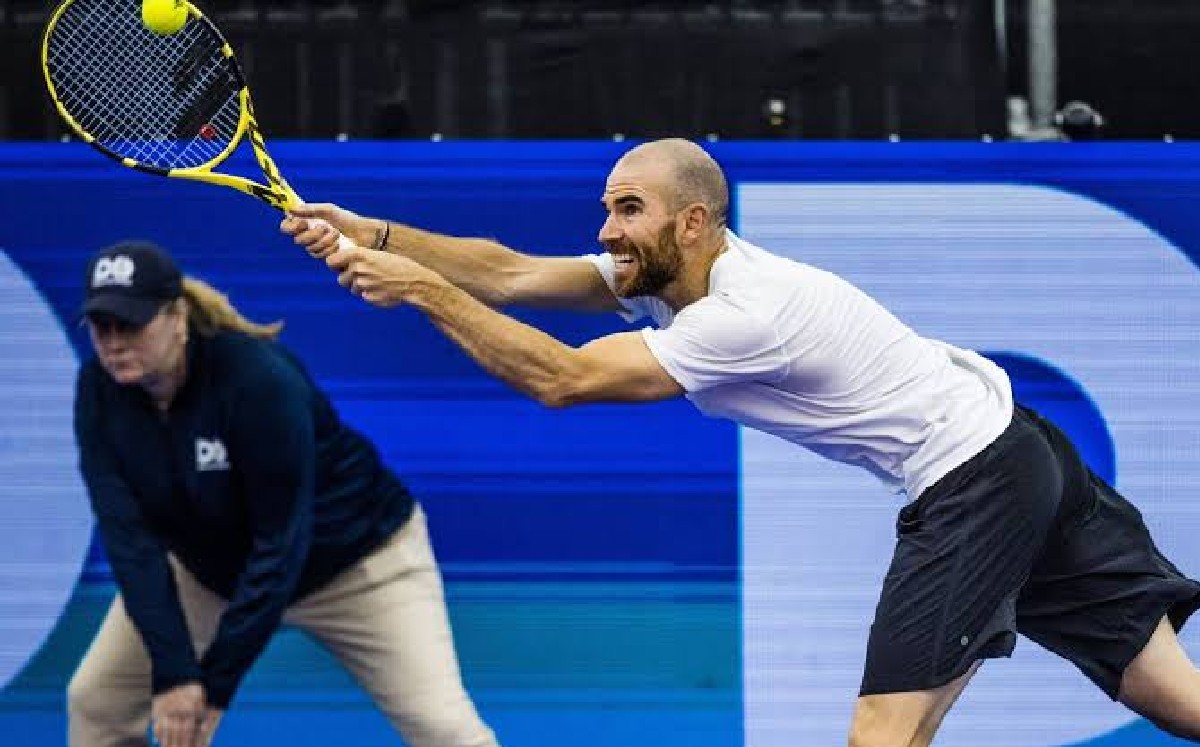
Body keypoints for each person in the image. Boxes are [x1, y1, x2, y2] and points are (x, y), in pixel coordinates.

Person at [282, 137, 1200, 746]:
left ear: (693, 221)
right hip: (1019, 447)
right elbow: (515, 273)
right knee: (1178, 702)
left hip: (975, 480)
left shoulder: (745, 315)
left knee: (881, 736)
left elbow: (559, 380)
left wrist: (418, 289)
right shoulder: (681, 270)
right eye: (607, 207)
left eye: (628, 209)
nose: (608, 229)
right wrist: (378, 233)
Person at [70, 240, 499, 747]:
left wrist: (213, 687)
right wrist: (174, 672)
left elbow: (280, 546)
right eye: (104, 327)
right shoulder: (100, 391)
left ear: (177, 316)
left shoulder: (257, 380)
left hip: (357, 568)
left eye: (132, 324)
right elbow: (130, 541)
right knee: (95, 703)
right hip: (207, 574)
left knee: (442, 727)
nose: (116, 343)